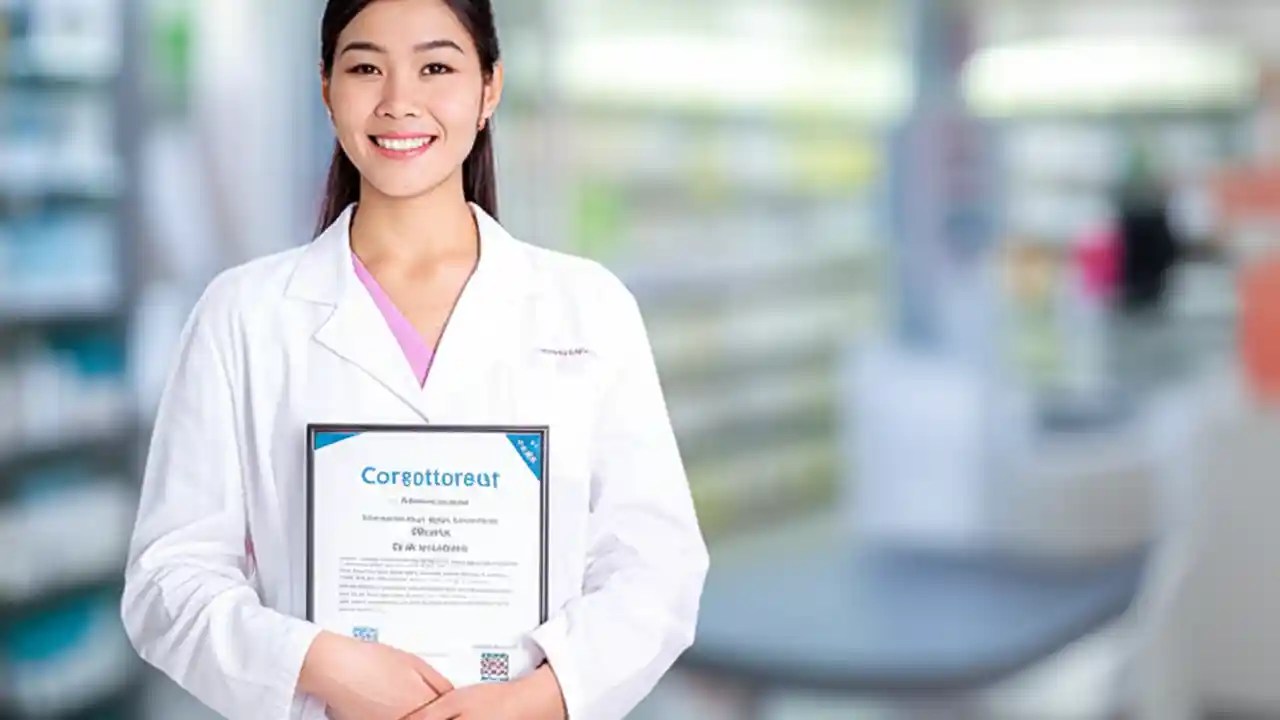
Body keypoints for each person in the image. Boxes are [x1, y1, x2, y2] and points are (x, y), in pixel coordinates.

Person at [119, 1, 709, 718]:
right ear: (326, 87)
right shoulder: (243, 314)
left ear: (490, 87)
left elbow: (658, 567)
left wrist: (537, 698)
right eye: (366, 67)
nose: (399, 102)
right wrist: (322, 663)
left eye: (436, 67)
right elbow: (167, 581)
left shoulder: (587, 307)